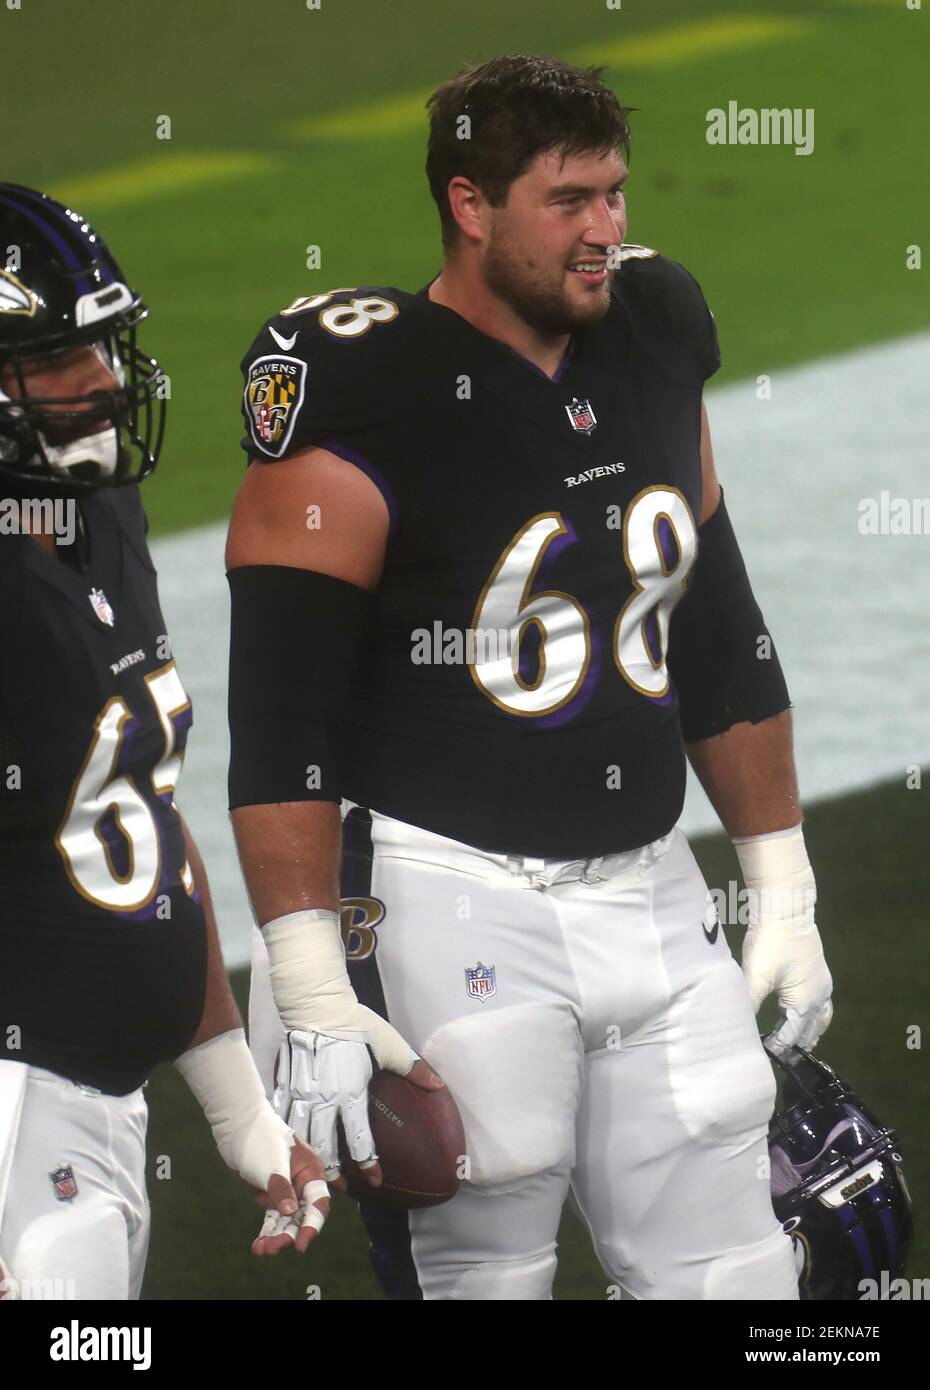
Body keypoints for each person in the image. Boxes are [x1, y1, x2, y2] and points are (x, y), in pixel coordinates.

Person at [228, 55, 833, 1301]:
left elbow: (716, 620)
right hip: (453, 887)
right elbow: (281, 716)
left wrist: (781, 876)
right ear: (470, 203)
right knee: (485, 1268)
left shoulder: (658, 329)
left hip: (655, 883)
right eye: (569, 200)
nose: (606, 229)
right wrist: (305, 976)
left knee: (738, 1273)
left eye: (614, 193)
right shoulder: (365, 384)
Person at [0, 185, 328, 1302]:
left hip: (102, 1102)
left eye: (100, 342)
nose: (98, 377)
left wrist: (239, 1108)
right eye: (54, 355)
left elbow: (139, 813)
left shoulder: (94, 512)